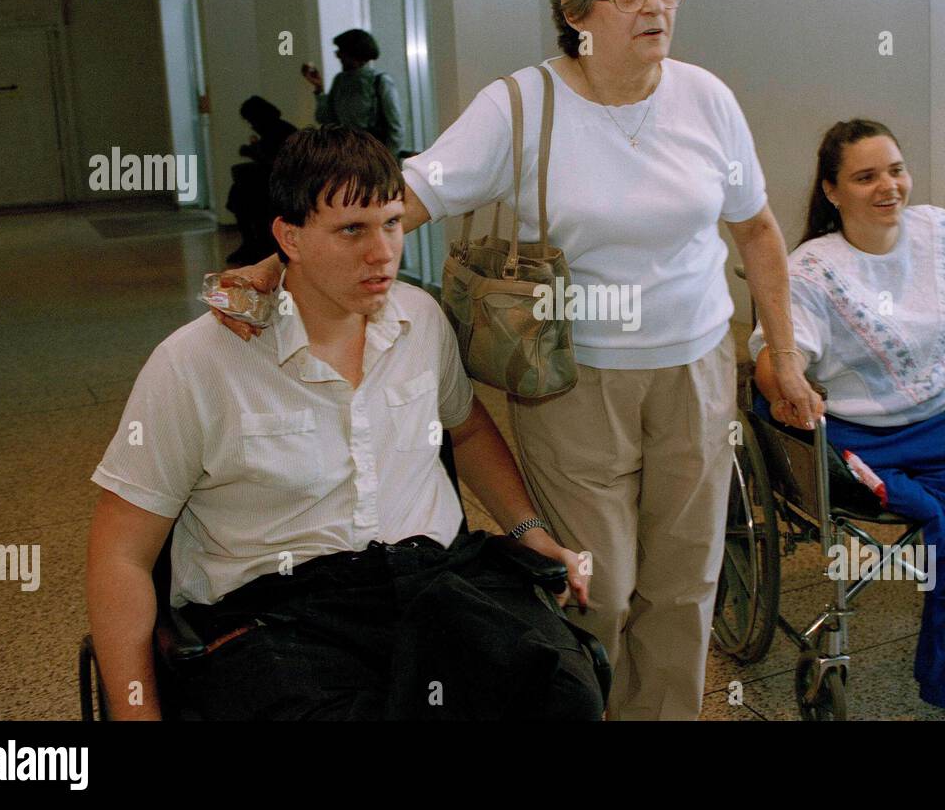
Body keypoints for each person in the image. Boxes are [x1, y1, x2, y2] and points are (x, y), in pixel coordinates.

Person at [212, 0, 816, 721]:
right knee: (595, 586)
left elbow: (758, 230)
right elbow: (411, 193)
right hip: (570, 376)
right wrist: (278, 262)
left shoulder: (706, 99)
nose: (655, 7)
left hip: (697, 367)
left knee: (683, 588)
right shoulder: (522, 106)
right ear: (575, 12)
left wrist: (783, 350)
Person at [86, 126, 597, 721]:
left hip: (430, 581)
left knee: (564, 693)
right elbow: (119, 555)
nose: (381, 252)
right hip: (282, 610)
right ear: (289, 238)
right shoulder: (197, 362)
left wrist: (529, 529)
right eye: (352, 229)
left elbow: (467, 429)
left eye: (391, 223)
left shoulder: (420, 319)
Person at [750, 119, 945, 711]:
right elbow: (772, 359)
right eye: (865, 177)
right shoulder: (813, 270)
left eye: (895, 170)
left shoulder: (938, 229)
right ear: (832, 191)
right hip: (867, 434)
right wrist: (787, 388)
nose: (888, 186)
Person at [303, 29, 404, 158]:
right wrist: (319, 88)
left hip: (372, 155)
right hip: (347, 155)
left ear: (355, 53)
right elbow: (325, 119)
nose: (338, 56)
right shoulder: (340, 80)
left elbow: (395, 128)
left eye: (341, 51)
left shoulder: (380, 81)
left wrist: (386, 159)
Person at [225, 96, 295, 265]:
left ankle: (254, 244)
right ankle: (250, 244)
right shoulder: (274, 129)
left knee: (243, 193)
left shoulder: (279, 131)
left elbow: (277, 162)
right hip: (276, 181)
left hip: (286, 183)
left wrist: (252, 151)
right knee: (240, 192)